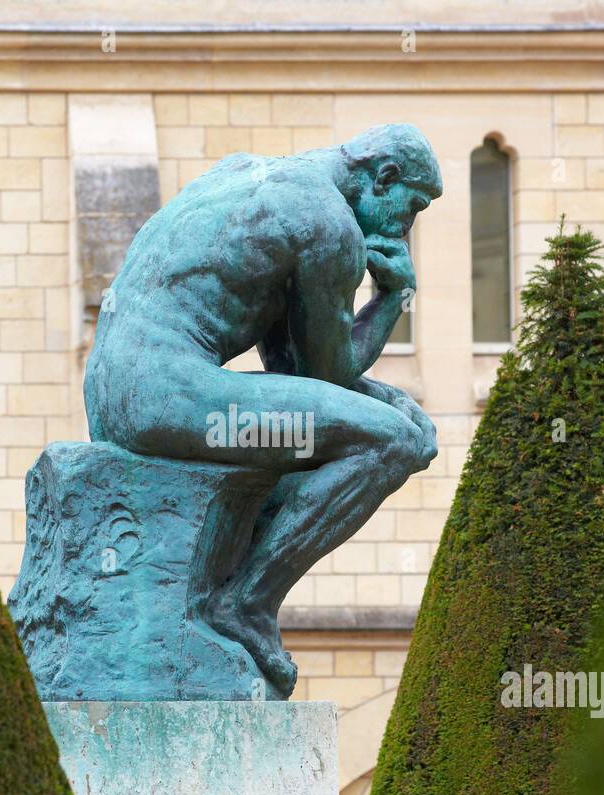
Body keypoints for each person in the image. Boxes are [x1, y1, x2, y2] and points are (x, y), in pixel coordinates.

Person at [84, 124, 443, 695]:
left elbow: (290, 367)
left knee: (404, 425)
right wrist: (394, 296)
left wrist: (385, 398)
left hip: (116, 388)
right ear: (385, 177)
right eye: (414, 205)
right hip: (162, 396)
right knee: (392, 443)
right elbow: (329, 373)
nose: (409, 225)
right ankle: (245, 604)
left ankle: (230, 568)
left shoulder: (246, 172)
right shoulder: (327, 224)